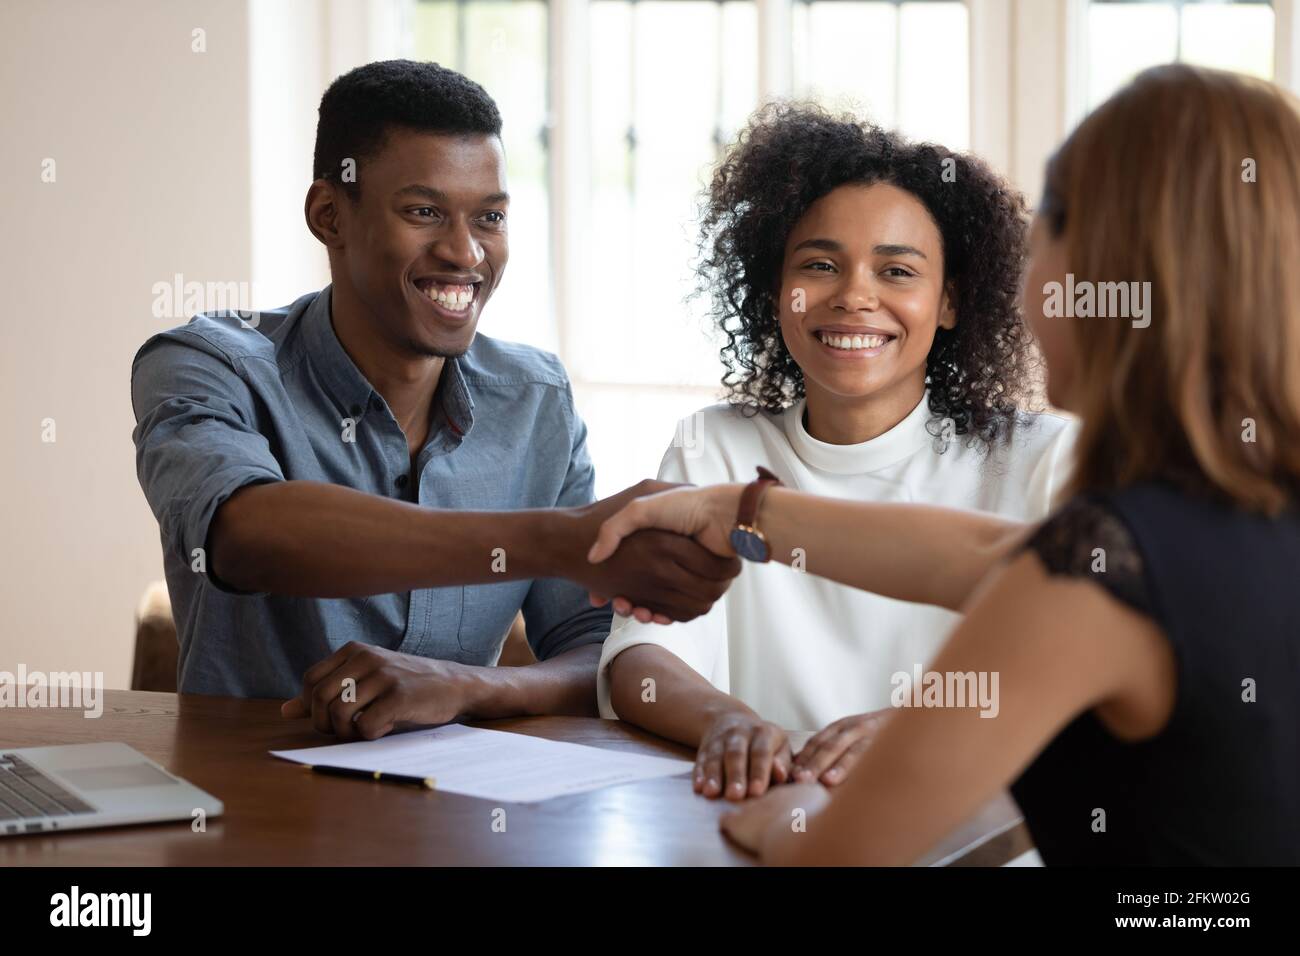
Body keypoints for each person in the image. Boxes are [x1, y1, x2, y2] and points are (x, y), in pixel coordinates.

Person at [588, 65, 1300, 865]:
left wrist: (783, 812)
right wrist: (738, 514)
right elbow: (988, 556)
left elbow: (838, 854)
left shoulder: (1104, 566)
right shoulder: (1235, 517)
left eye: (1049, 237)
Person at [130, 60, 738, 737]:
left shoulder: (536, 401)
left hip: (459, 819)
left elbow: (596, 651)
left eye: (489, 218)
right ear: (329, 215)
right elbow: (245, 535)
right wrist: (558, 539)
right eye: (424, 212)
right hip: (247, 810)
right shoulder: (208, 363)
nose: (465, 252)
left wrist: (464, 686)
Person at [594, 103, 1076, 801]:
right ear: (774, 290)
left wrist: (926, 724)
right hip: (758, 818)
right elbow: (640, 659)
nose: (854, 297)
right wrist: (727, 722)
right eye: (821, 265)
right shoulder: (716, 446)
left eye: (897, 272)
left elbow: (1080, 663)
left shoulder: (1041, 459)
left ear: (949, 301)